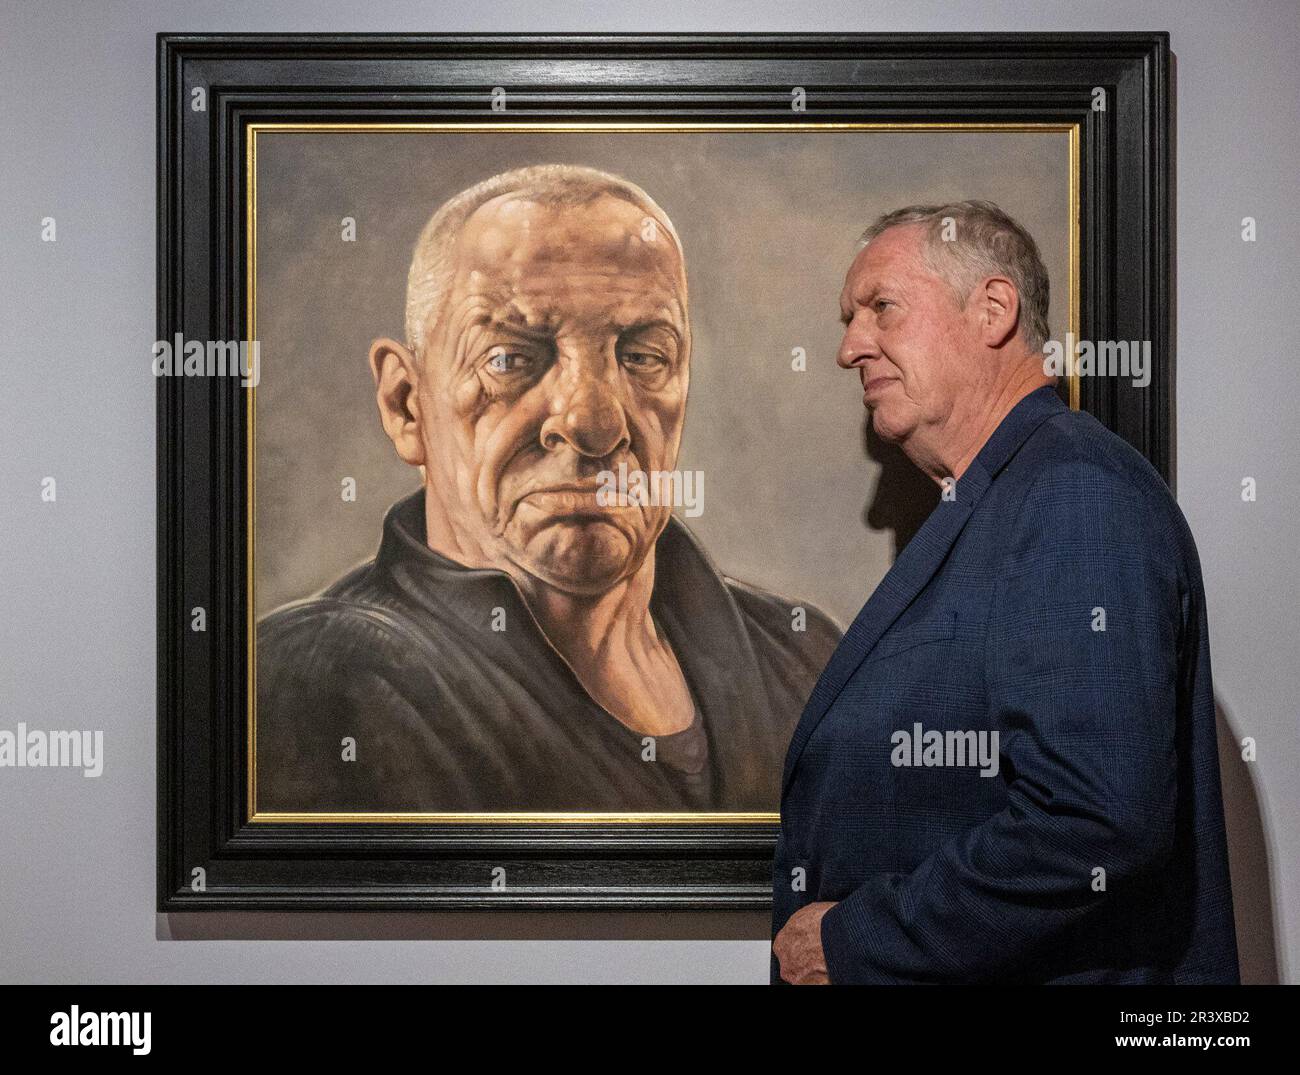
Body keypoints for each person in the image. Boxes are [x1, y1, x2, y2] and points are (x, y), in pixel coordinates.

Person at [257, 164, 840, 813]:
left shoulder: (801, 657)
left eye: (643, 355)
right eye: (510, 358)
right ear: (406, 405)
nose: (594, 423)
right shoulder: (315, 687)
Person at [772, 200, 1239, 984]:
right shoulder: (1004, 497)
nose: (850, 346)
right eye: (851, 318)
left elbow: (1095, 823)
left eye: (880, 306)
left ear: (993, 309)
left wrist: (856, 941)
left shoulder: (1073, 496)